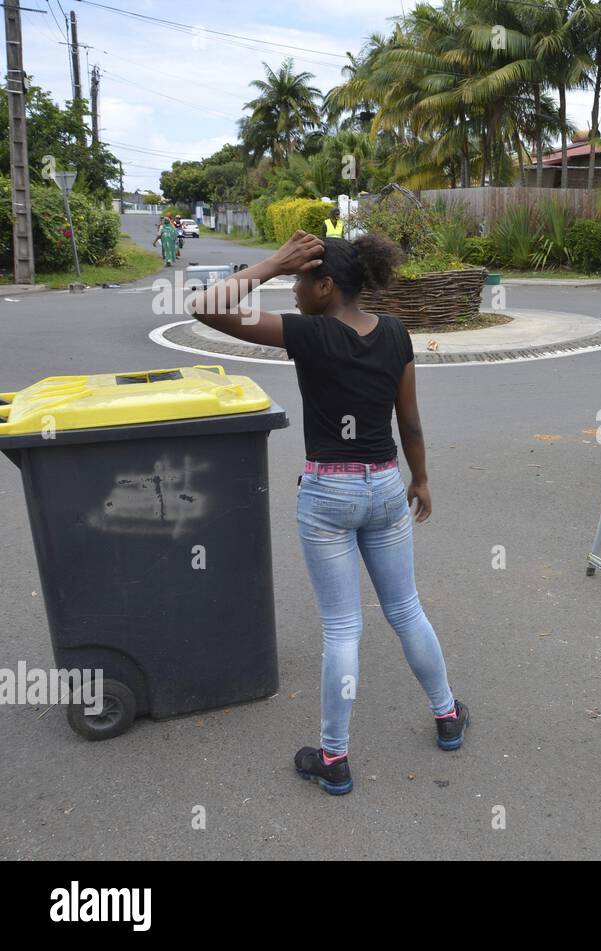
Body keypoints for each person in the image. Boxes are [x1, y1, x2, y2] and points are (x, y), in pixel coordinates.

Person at [188, 230, 468, 797]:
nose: (293, 290)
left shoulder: (310, 335)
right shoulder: (395, 332)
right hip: (387, 486)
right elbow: (409, 422)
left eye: (299, 280)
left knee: (343, 628)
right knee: (407, 610)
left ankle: (334, 758)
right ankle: (446, 717)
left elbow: (204, 307)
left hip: (328, 496)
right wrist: (421, 479)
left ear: (326, 285)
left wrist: (269, 263)